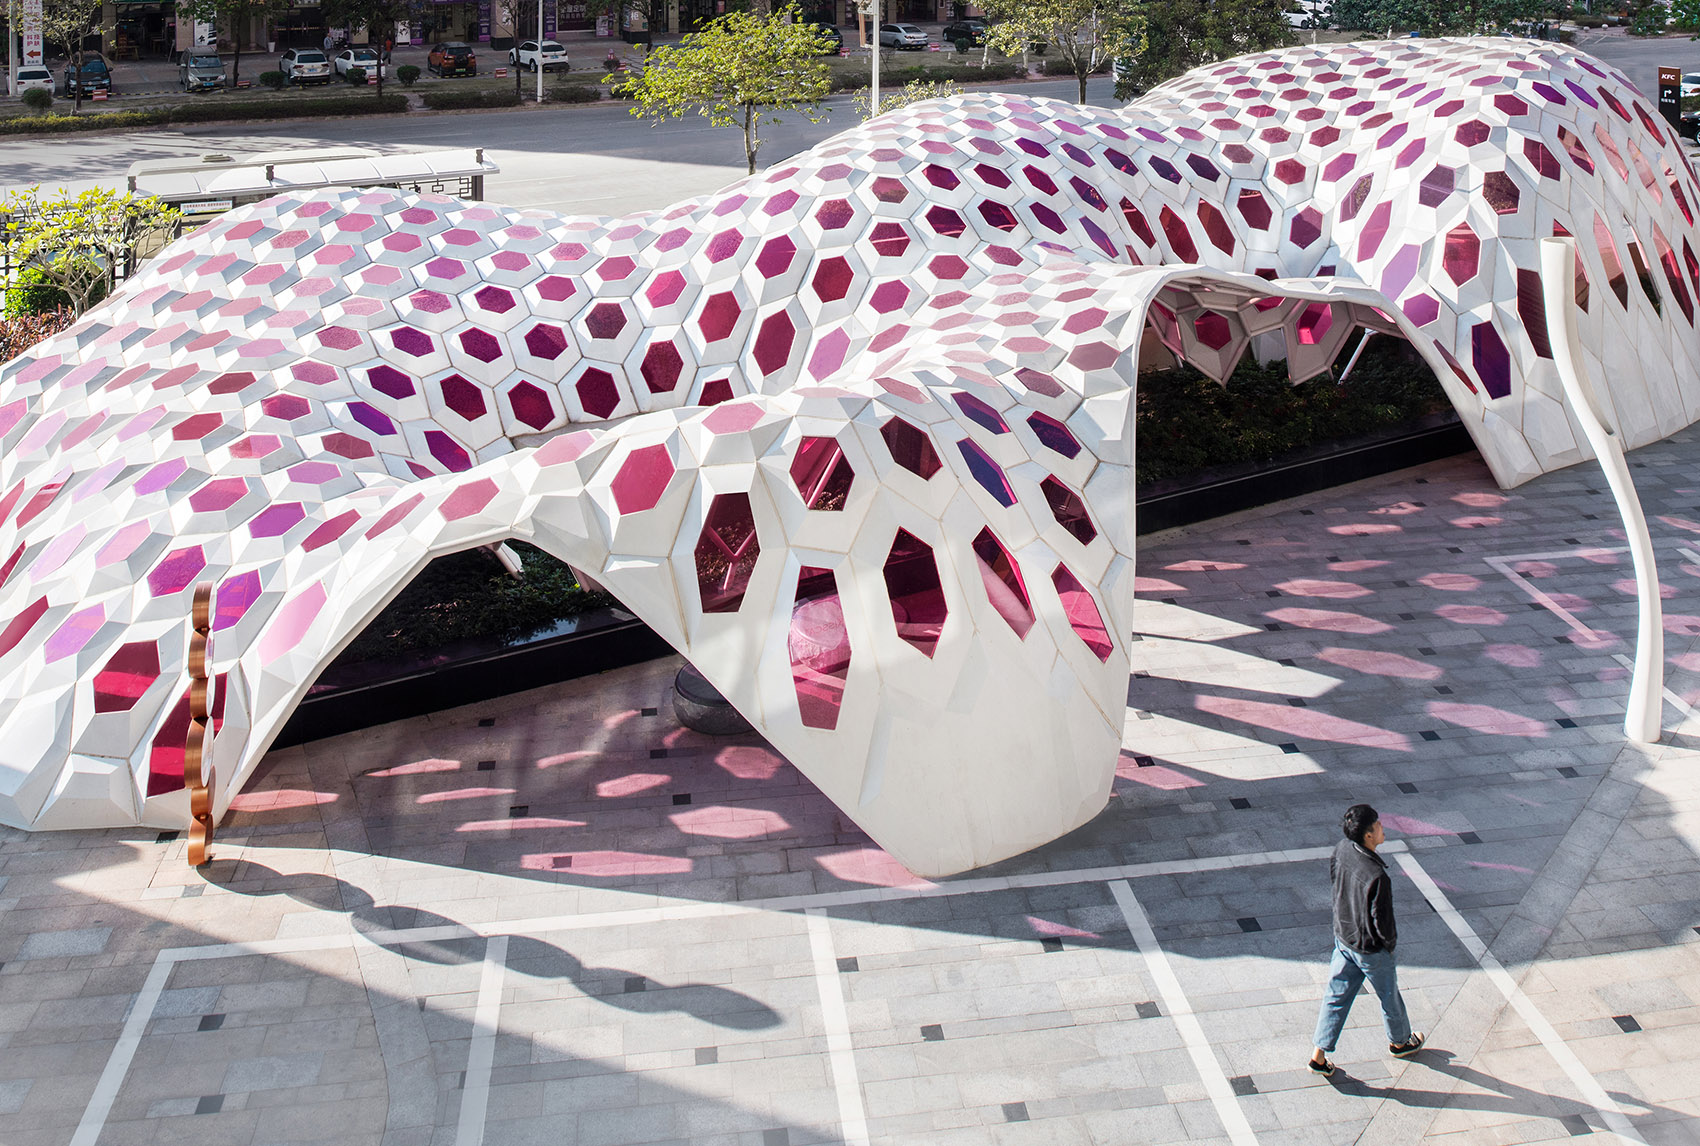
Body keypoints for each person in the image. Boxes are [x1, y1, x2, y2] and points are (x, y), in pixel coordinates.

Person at [1309, 804, 1425, 1075]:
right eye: (1379, 825)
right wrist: (1389, 945)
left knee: (1336, 996)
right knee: (1389, 996)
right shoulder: (1377, 876)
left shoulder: (1341, 849)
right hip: (1369, 949)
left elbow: (1334, 882)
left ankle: (1319, 1054)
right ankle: (1400, 1041)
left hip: (1343, 937)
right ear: (1369, 836)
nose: (1383, 828)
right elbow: (1382, 922)